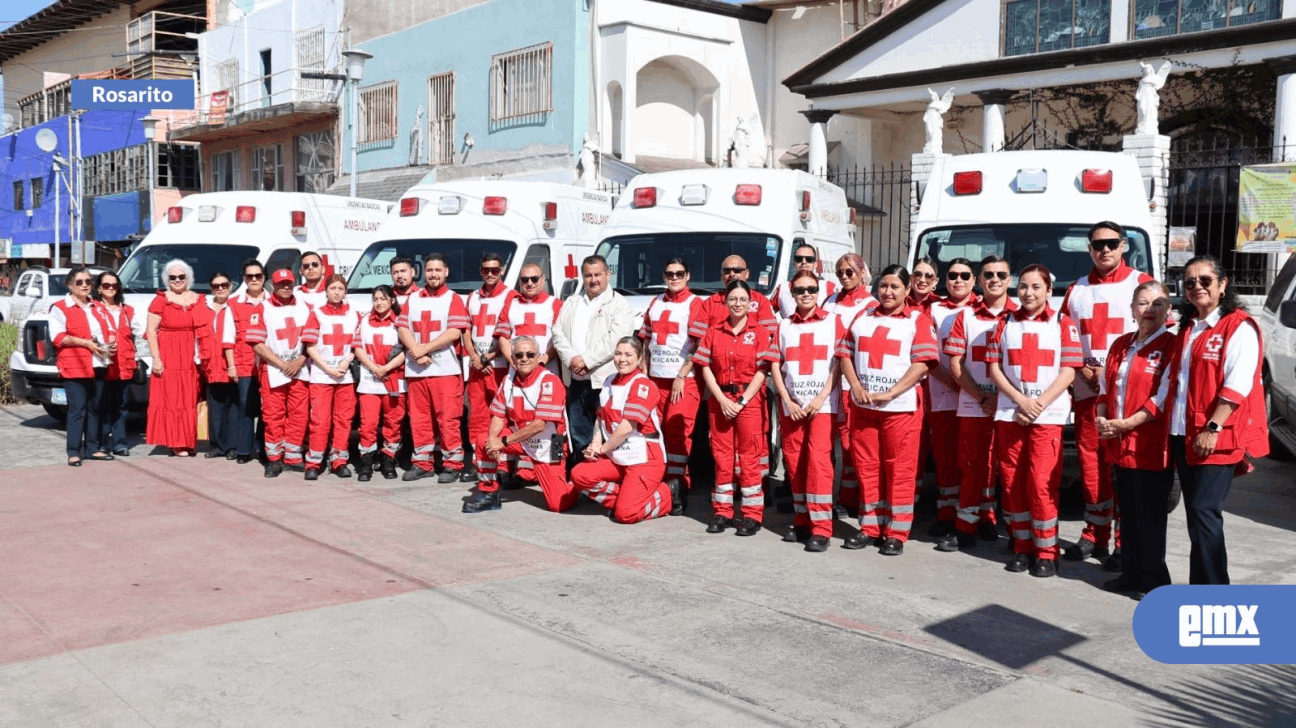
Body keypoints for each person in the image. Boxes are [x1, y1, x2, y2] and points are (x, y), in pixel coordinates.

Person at [1163, 255, 1267, 585]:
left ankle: (1215, 594)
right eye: (1190, 282)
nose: (1197, 287)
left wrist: (1212, 427)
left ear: (1222, 285)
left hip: (1215, 437)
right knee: (1197, 517)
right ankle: (1204, 588)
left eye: (1205, 280)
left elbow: (1238, 384)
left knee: (1205, 514)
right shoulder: (1189, 327)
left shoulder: (1238, 327)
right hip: (1183, 434)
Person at [1061, 221, 1154, 569]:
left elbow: (1159, 335)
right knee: (1092, 468)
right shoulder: (1077, 290)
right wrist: (1081, 366)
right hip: (1087, 394)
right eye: (1098, 244)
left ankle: (1121, 542)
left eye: (1112, 243)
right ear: (1089, 249)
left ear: (1123, 246)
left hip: (1127, 396)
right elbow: (1065, 336)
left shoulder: (1141, 284)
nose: (1105, 250)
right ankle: (1093, 535)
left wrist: (1111, 371)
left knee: (1123, 468)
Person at [986, 264, 1083, 578]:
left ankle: (1046, 552)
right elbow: (994, 369)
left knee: (1041, 485)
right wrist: (1021, 400)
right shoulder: (1004, 323)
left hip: (1048, 416)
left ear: (1048, 290)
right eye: (1023, 286)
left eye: (1035, 287)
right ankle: (1021, 547)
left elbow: (1068, 370)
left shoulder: (1062, 323)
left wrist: (1038, 403)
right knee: (1013, 484)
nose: (1028, 293)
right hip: (1010, 413)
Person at [837, 265, 939, 556]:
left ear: (908, 290)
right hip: (864, 407)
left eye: (895, 286)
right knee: (868, 468)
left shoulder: (917, 320)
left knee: (900, 471)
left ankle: (897, 531)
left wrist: (894, 392)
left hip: (901, 409)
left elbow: (923, 362)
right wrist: (855, 385)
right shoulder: (863, 317)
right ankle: (870, 526)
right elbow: (845, 353)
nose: (888, 292)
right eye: (884, 286)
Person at [1096, 280, 1176, 599]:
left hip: (1150, 446)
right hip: (1119, 446)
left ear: (1168, 311)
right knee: (1127, 514)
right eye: (1143, 303)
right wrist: (1103, 418)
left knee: (1150, 518)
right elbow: (1105, 388)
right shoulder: (1120, 345)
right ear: (1132, 309)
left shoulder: (1172, 346)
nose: (1149, 310)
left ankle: (1154, 582)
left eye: (1158, 304)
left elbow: (1162, 397)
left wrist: (1125, 424)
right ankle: (1129, 574)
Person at [938, 255, 1017, 553]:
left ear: (1010, 280)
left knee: (1009, 469)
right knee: (971, 466)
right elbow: (955, 364)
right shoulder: (965, 316)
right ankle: (965, 528)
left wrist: (1001, 398)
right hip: (974, 403)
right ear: (980, 280)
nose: (994, 279)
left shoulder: (1021, 315)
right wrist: (983, 397)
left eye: (1001, 274)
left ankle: (1015, 532)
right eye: (988, 274)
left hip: (1010, 406)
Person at [692, 280, 776, 537]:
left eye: (743, 299)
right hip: (720, 402)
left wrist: (740, 402)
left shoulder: (760, 332)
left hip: (748, 402)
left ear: (750, 302)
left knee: (750, 458)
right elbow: (704, 366)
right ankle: (722, 512)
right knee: (722, 457)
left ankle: (751, 515)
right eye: (733, 299)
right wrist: (721, 399)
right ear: (725, 302)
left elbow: (763, 370)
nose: (738, 304)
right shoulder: (714, 331)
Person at [770, 272, 843, 552]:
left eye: (811, 289)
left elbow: (839, 363)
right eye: (800, 290)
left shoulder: (832, 322)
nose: (806, 294)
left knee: (818, 464)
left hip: (822, 406)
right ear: (792, 292)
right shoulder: (784, 325)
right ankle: (802, 520)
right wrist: (787, 399)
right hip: (793, 405)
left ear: (819, 291)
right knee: (795, 461)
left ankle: (822, 528)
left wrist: (821, 397)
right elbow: (776, 363)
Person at [571, 337, 674, 523]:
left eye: (628, 354)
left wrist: (603, 449)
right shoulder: (609, 380)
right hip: (617, 457)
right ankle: (626, 499)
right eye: (618, 354)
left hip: (644, 459)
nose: (622, 359)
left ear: (640, 358)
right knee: (579, 475)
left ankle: (668, 494)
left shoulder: (643, 385)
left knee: (626, 515)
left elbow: (627, 427)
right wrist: (595, 443)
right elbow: (600, 416)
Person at [467, 336, 575, 514]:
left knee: (557, 505)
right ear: (513, 357)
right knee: (482, 439)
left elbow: (539, 425)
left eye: (530, 354)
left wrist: (503, 442)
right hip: (520, 438)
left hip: (551, 442)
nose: (524, 358)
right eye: (519, 354)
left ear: (538, 356)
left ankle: (578, 485)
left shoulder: (550, 381)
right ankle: (489, 492)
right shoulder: (508, 381)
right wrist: (493, 441)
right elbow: (498, 416)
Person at [552, 255, 636, 468]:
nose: (593, 280)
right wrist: (571, 359)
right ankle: (583, 476)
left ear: (608, 274)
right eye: (588, 275)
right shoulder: (572, 302)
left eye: (598, 274)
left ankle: (605, 476)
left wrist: (586, 361)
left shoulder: (619, 305)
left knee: (606, 432)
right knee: (579, 433)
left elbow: (616, 339)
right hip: (576, 381)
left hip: (604, 382)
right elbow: (557, 332)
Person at [636, 258, 705, 515]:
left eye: (679, 273)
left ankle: (678, 488)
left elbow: (698, 345)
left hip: (682, 381)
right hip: (655, 380)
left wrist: (681, 375)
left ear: (688, 276)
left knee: (678, 434)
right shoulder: (655, 303)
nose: (674, 278)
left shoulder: (695, 303)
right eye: (669, 274)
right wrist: (644, 370)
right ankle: (660, 483)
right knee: (654, 432)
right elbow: (644, 339)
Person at [396, 253, 471, 482]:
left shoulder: (453, 298)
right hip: (417, 369)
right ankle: (422, 463)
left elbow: (455, 331)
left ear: (446, 272)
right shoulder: (414, 298)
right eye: (430, 270)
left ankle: (452, 464)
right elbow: (402, 328)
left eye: (438, 270)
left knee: (447, 418)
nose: (434, 274)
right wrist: (416, 352)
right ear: (423, 273)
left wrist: (423, 349)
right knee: (419, 419)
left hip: (445, 370)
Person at [925, 257, 979, 538]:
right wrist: (954, 381)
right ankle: (946, 513)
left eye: (964, 275)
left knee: (975, 457)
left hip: (978, 397)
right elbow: (926, 352)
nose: (958, 280)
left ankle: (982, 514)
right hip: (942, 391)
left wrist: (969, 386)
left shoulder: (981, 309)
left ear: (974, 280)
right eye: (953, 275)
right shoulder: (933, 309)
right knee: (945, 456)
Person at [824, 253, 877, 516]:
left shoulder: (870, 303)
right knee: (832, 443)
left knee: (852, 444)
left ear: (861, 272)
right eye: (840, 272)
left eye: (850, 272)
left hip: (852, 380)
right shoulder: (831, 299)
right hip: (827, 379)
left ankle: (853, 498)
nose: (845, 277)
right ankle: (836, 497)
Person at [247, 268, 312, 477]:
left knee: (299, 414)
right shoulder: (262, 309)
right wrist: (282, 364)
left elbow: (312, 339)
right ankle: (274, 459)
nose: (286, 287)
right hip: (273, 370)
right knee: (273, 416)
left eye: (289, 283)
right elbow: (256, 344)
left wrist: (300, 361)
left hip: (300, 370)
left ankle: (293, 456)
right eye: (281, 283)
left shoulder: (305, 307)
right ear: (272, 285)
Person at [146, 259, 213, 457]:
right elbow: (151, 331)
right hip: (169, 356)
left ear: (188, 278)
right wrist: (156, 359)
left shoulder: (199, 299)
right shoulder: (160, 300)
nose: (177, 280)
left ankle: (188, 440)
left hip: (191, 356)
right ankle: (176, 442)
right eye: (172, 277)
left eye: (181, 277)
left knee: (190, 399)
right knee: (173, 400)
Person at [50, 266, 112, 466]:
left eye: (88, 282)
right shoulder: (60, 307)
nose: (85, 285)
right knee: (78, 409)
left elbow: (108, 330)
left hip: (98, 363)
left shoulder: (97, 306)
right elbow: (58, 337)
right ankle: (74, 451)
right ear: (70, 285)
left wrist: (110, 342)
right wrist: (86, 343)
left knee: (95, 409)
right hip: (75, 365)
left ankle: (93, 448)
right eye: (80, 282)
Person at [463, 252, 517, 484]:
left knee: (502, 417)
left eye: (495, 270)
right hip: (477, 367)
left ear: (502, 270)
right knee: (477, 418)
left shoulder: (510, 295)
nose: (490, 274)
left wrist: (488, 357)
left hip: (500, 367)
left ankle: (503, 464)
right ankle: (480, 463)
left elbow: (507, 333)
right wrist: (475, 357)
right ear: (481, 271)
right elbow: (466, 330)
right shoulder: (472, 297)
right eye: (486, 270)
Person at [301, 274, 359, 480]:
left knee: (343, 420)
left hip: (345, 377)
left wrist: (345, 362)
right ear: (326, 290)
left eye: (340, 288)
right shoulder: (316, 313)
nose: (336, 292)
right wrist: (327, 368)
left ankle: (339, 460)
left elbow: (356, 345)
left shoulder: (354, 314)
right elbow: (310, 346)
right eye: (332, 288)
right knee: (319, 420)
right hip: (321, 376)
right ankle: (314, 462)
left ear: (345, 292)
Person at [353, 285, 406, 482]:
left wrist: (386, 368)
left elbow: (406, 350)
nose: (379, 303)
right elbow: (357, 348)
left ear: (392, 300)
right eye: (375, 299)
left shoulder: (400, 322)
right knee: (368, 424)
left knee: (393, 424)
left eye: (383, 299)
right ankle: (366, 462)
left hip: (394, 380)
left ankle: (388, 461)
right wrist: (374, 368)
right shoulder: (364, 320)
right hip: (370, 381)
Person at [223, 259, 268, 464]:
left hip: (269, 365)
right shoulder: (233, 303)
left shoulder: (273, 302)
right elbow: (228, 338)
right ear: (244, 279)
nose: (254, 280)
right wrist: (231, 365)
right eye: (249, 276)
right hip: (244, 365)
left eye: (258, 276)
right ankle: (243, 450)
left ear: (264, 277)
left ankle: (265, 448)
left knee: (268, 408)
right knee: (245, 407)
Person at [92, 270, 138, 457]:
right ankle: (102, 443)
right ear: (99, 288)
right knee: (102, 405)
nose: (111, 288)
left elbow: (140, 335)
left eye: (114, 285)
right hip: (102, 365)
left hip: (123, 365)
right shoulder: (93, 308)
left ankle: (119, 442)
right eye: (106, 285)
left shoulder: (127, 310)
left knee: (121, 406)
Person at [495, 262, 564, 372]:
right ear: (520, 282)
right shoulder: (510, 305)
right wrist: (514, 363)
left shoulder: (556, 304)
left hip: (548, 368)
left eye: (534, 279)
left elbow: (561, 337)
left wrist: (544, 359)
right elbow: (502, 337)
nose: (529, 283)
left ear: (543, 279)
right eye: (525, 280)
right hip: (517, 370)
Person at [691, 255, 779, 337]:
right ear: (721, 275)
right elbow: (700, 338)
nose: (732, 274)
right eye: (727, 271)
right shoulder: (709, 304)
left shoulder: (761, 302)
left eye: (737, 271)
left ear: (747, 273)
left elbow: (769, 336)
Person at [202, 271, 240, 459]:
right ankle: (216, 445)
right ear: (211, 288)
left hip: (231, 363)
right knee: (215, 407)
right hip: (211, 363)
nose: (221, 289)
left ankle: (232, 446)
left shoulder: (235, 306)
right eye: (216, 286)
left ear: (231, 286)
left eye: (224, 285)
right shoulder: (204, 308)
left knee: (233, 407)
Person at [772, 243, 836, 316]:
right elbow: (766, 312)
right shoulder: (782, 289)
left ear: (816, 264)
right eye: (799, 259)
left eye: (809, 259)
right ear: (794, 263)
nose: (804, 262)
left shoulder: (827, 287)